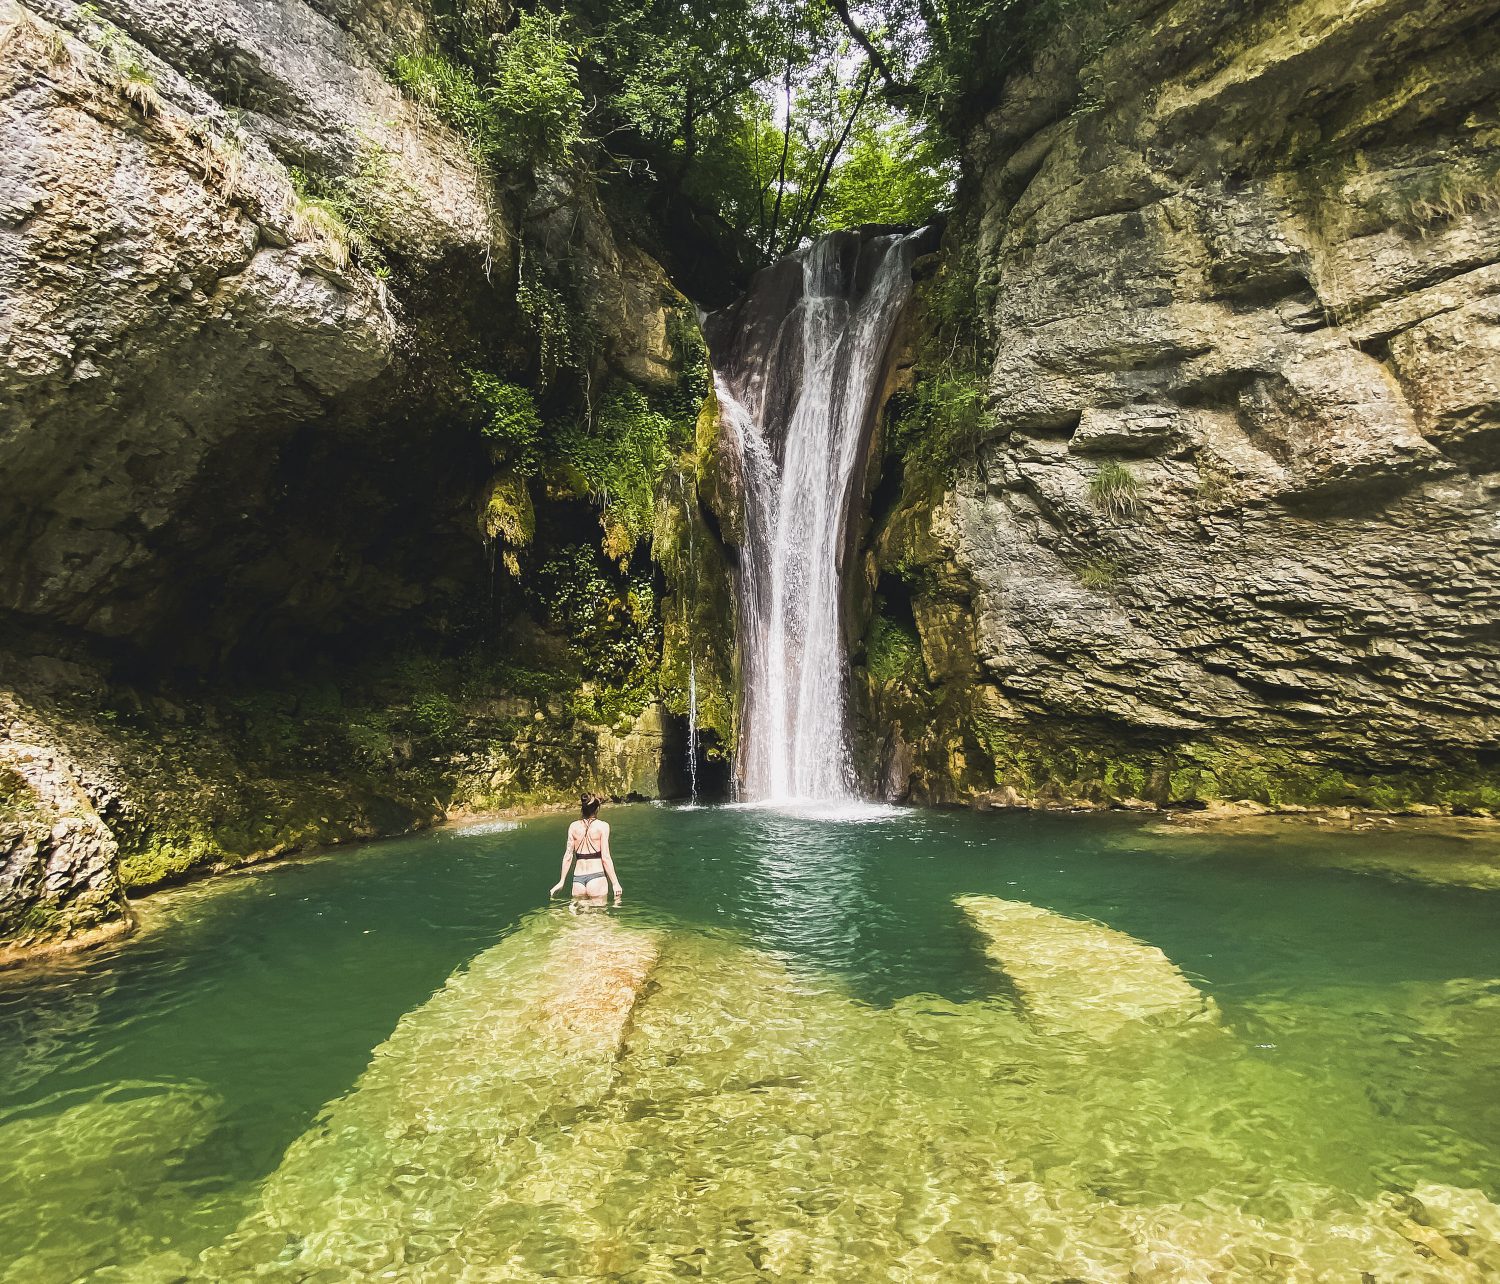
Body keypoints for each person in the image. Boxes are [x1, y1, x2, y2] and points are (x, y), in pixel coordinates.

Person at [550, 793, 622, 902]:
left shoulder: (573, 826)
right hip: (597, 877)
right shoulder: (603, 826)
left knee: (581, 918)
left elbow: (568, 856)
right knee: (599, 917)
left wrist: (562, 881)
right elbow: (605, 858)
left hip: (578, 880)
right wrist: (615, 883)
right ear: (597, 809)